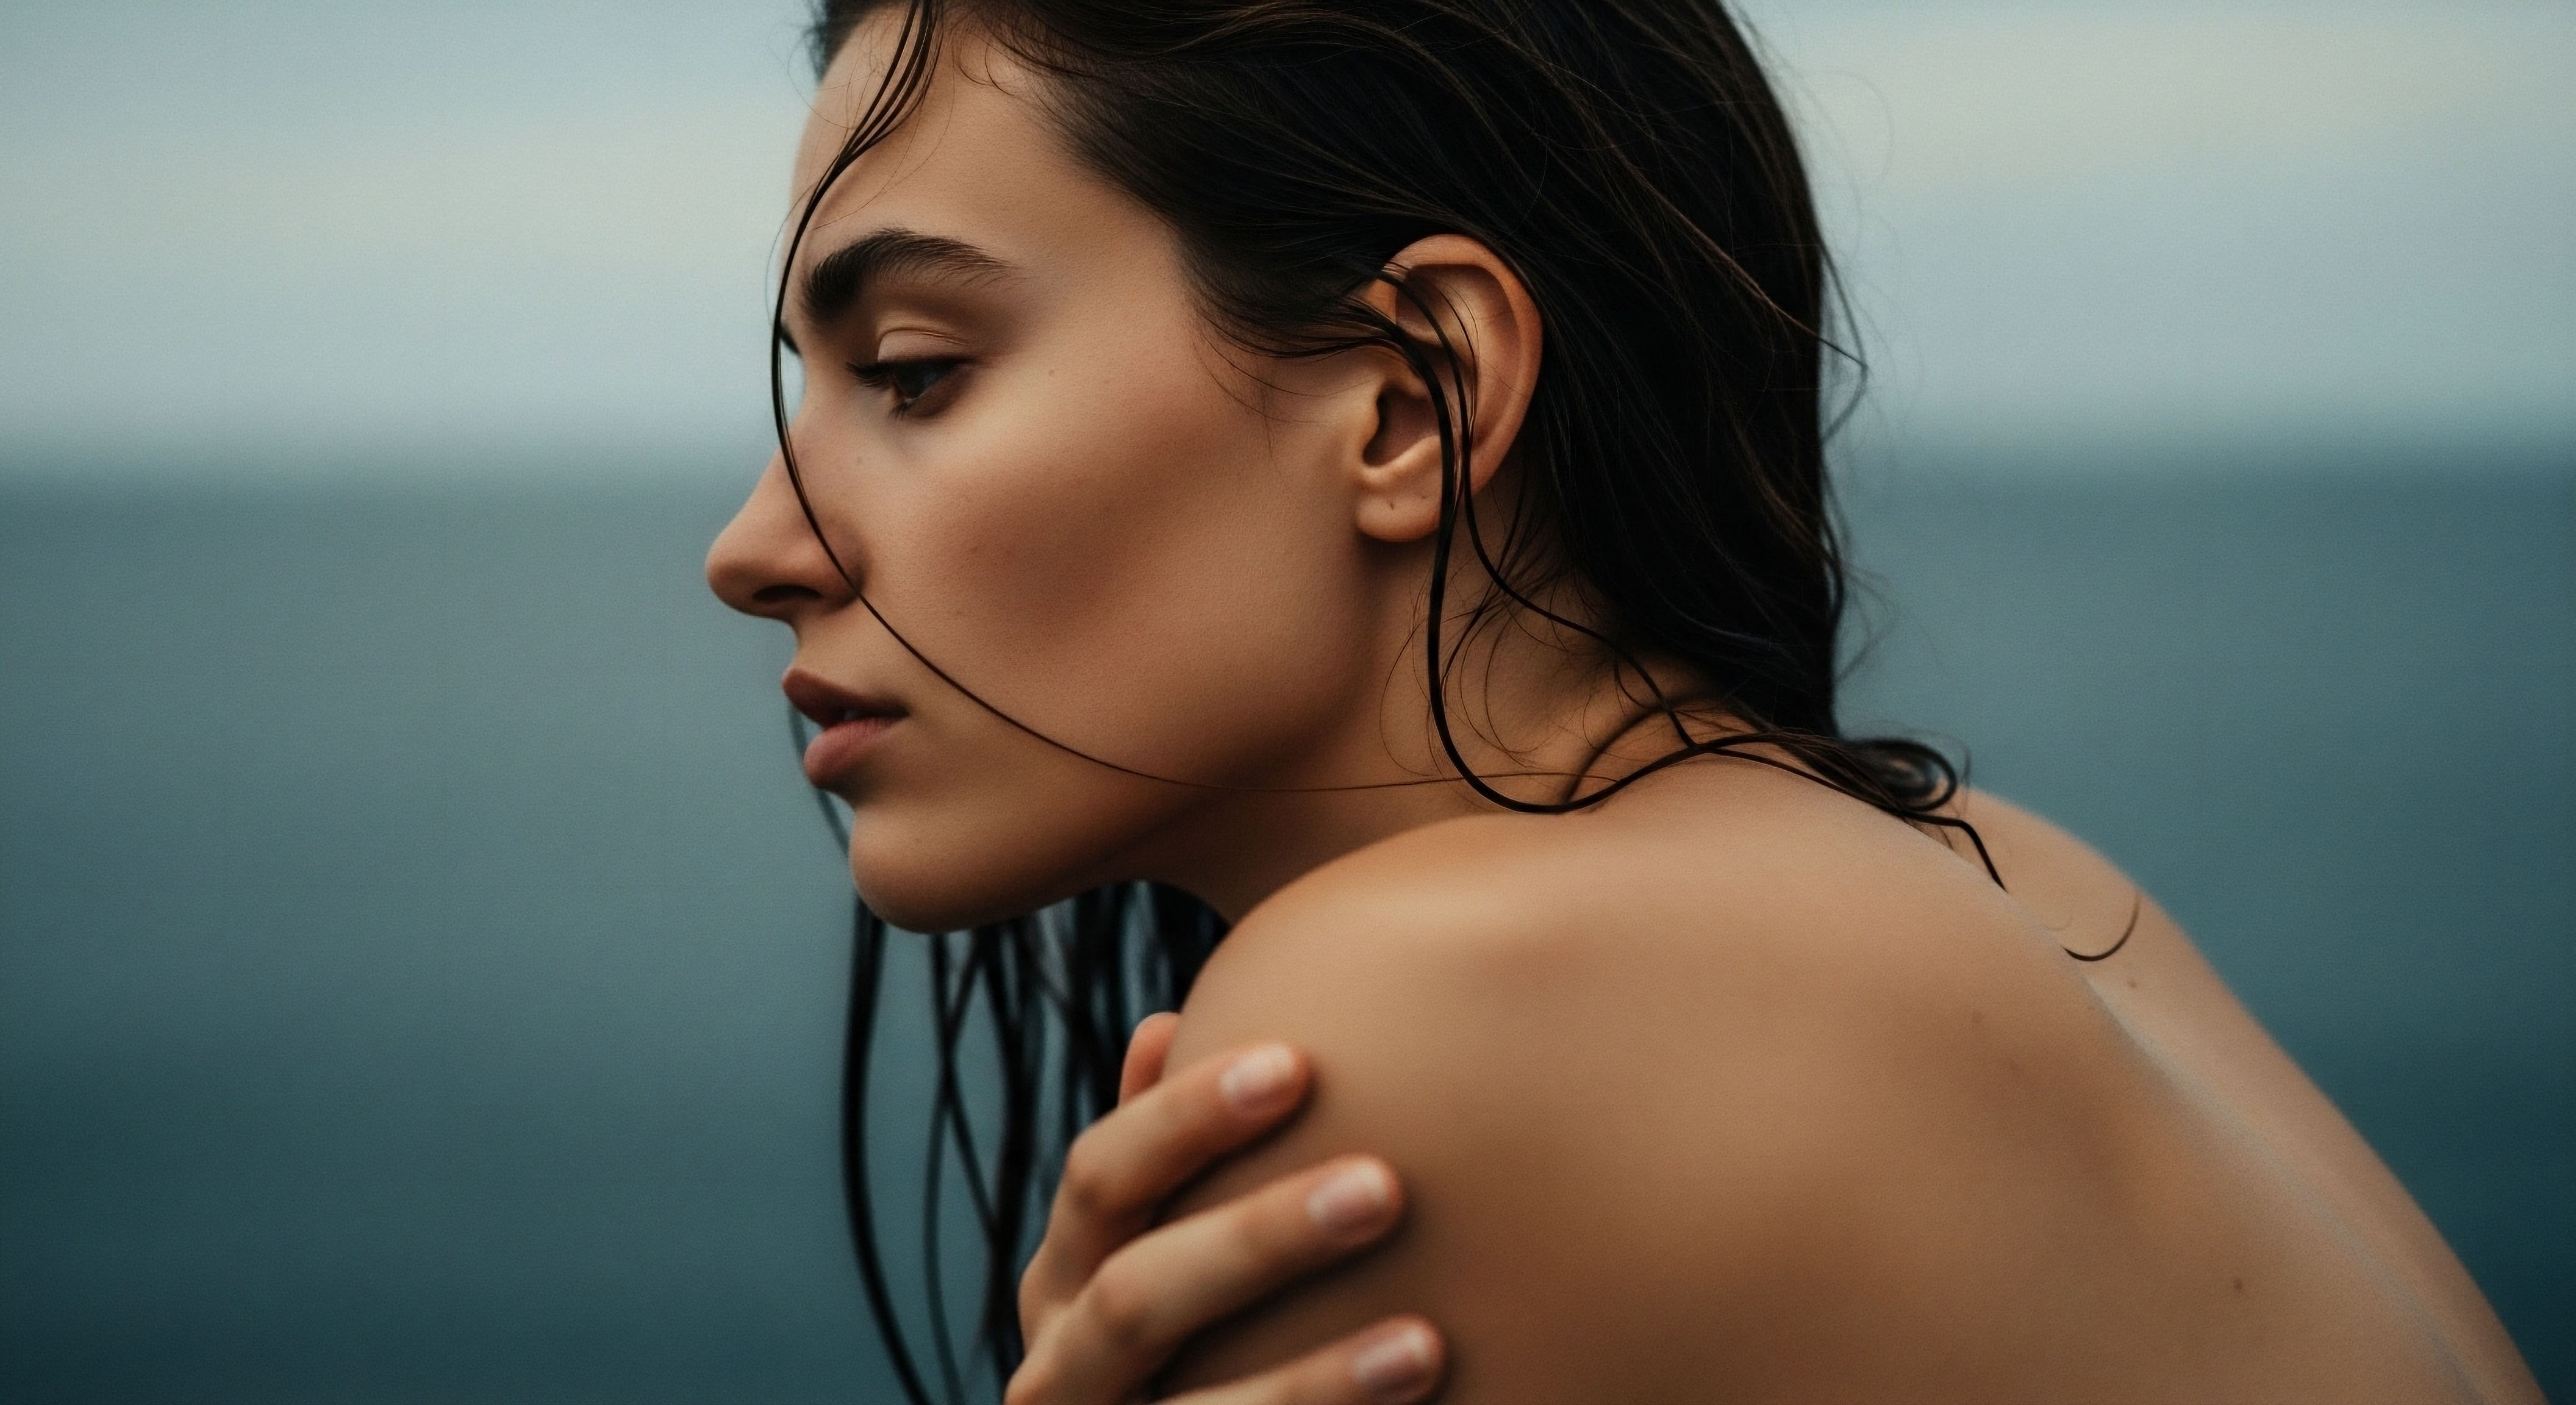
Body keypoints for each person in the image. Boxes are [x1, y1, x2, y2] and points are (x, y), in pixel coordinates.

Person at [704, 1, 2544, 1401]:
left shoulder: (1421, 1016)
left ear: (1409, 402)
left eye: (916, 371)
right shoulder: (2015, 879)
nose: (755, 543)